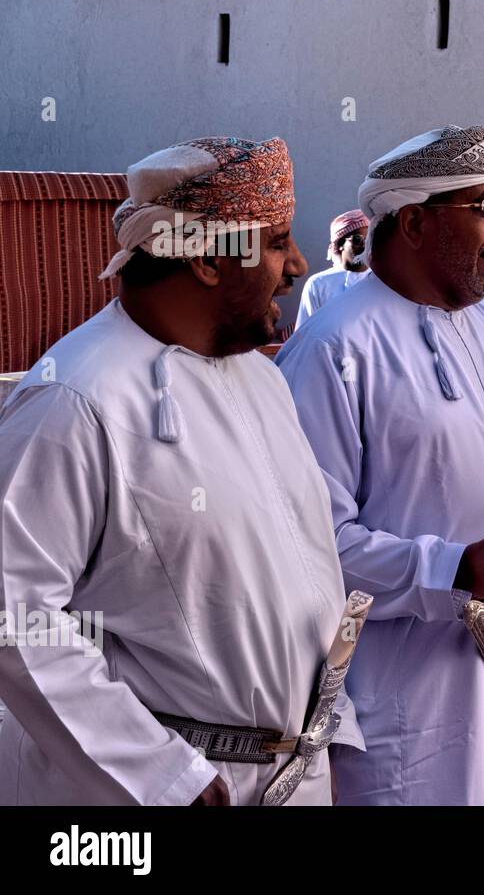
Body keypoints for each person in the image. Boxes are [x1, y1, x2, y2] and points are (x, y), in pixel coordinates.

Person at [0, 135, 360, 805]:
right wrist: (161, 775)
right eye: (277, 241)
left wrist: (322, 737)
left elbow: (304, 573)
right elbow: (13, 615)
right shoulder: (76, 397)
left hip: (289, 776)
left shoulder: (263, 380)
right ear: (205, 259)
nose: (299, 265)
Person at [277, 126, 484, 804]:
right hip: (404, 703)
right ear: (414, 222)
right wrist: (455, 568)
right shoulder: (334, 349)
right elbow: (306, 549)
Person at [295, 209, 370, 328]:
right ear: (340, 245)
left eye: (368, 240)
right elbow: (304, 334)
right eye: (357, 240)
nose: (364, 247)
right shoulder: (318, 284)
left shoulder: (381, 280)